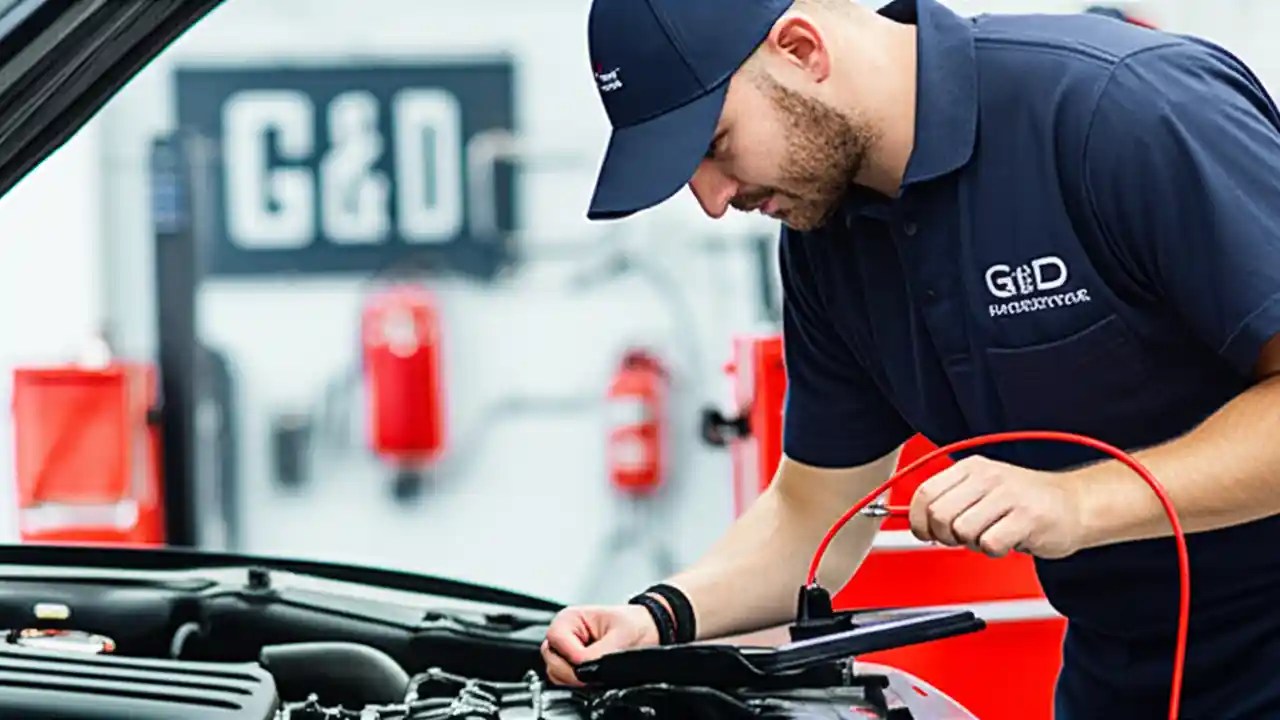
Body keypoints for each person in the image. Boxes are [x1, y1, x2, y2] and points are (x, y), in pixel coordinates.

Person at [542, 0, 1280, 717]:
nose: (711, 198)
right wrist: (658, 620)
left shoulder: (1124, 112)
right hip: (1124, 671)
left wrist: (1079, 501)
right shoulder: (826, 240)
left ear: (802, 50)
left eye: (715, 143)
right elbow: (813, 513)